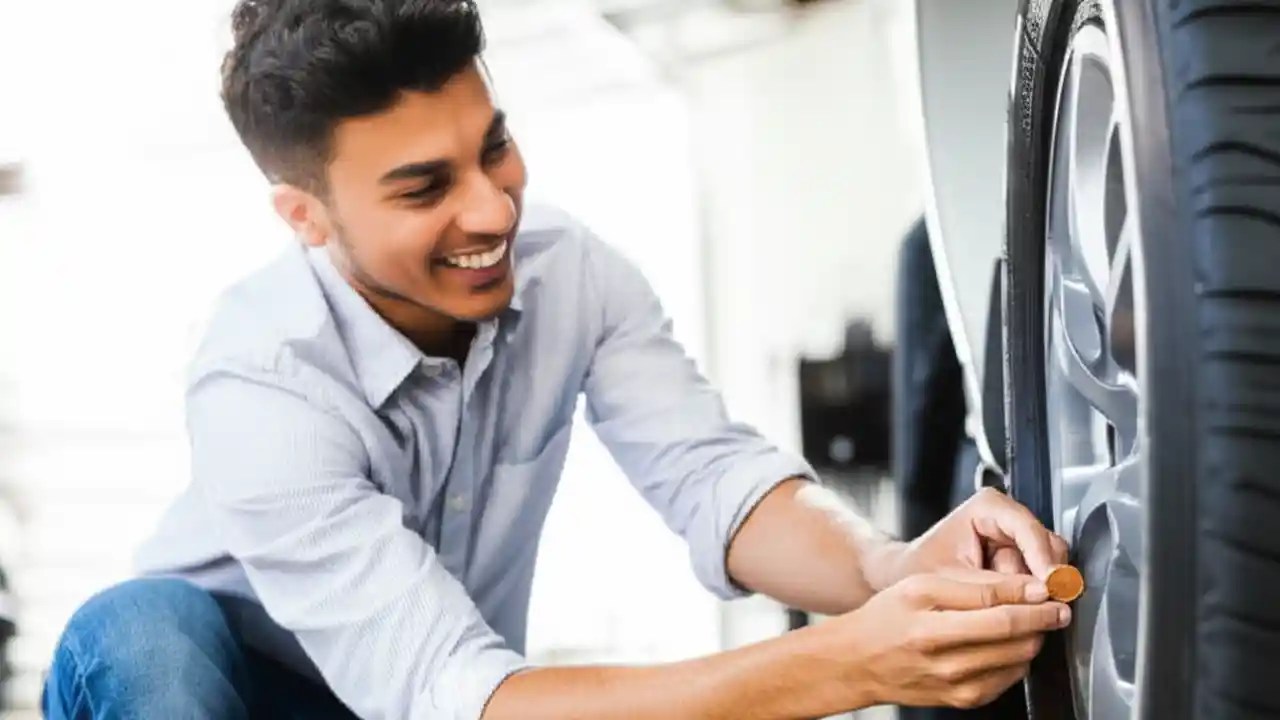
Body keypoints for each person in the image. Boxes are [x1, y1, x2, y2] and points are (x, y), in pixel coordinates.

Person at [42, 2, 1072, 718]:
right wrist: (849, 664)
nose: (492, 208)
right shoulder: (261, 385)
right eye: (421, 188)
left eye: (492, 147)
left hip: (439, 696)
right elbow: (466, 698)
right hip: (239, 693)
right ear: (305, 217)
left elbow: (714, 479)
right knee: (144, 630)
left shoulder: (568, 272)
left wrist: (886, 567)